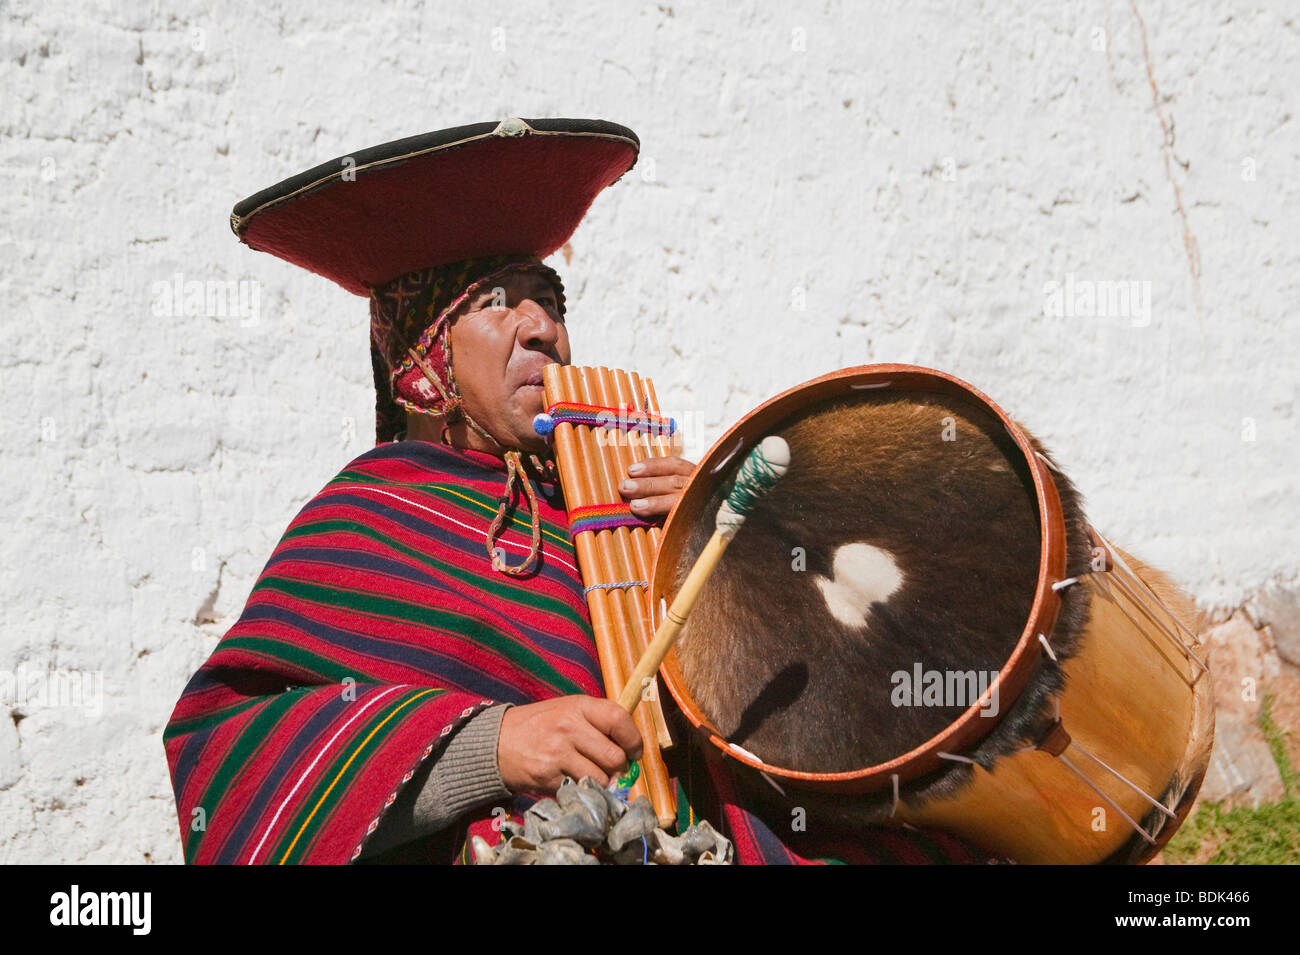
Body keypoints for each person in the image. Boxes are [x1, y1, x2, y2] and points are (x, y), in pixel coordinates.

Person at [164, 118, 994, 864]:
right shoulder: (367, 519)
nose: (541, 326)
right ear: (421, 355)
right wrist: (491, 743)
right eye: (495, 302)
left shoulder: (618, 498)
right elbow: (226, 750)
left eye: (549, 298)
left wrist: (741, 564)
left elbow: (810, 720)